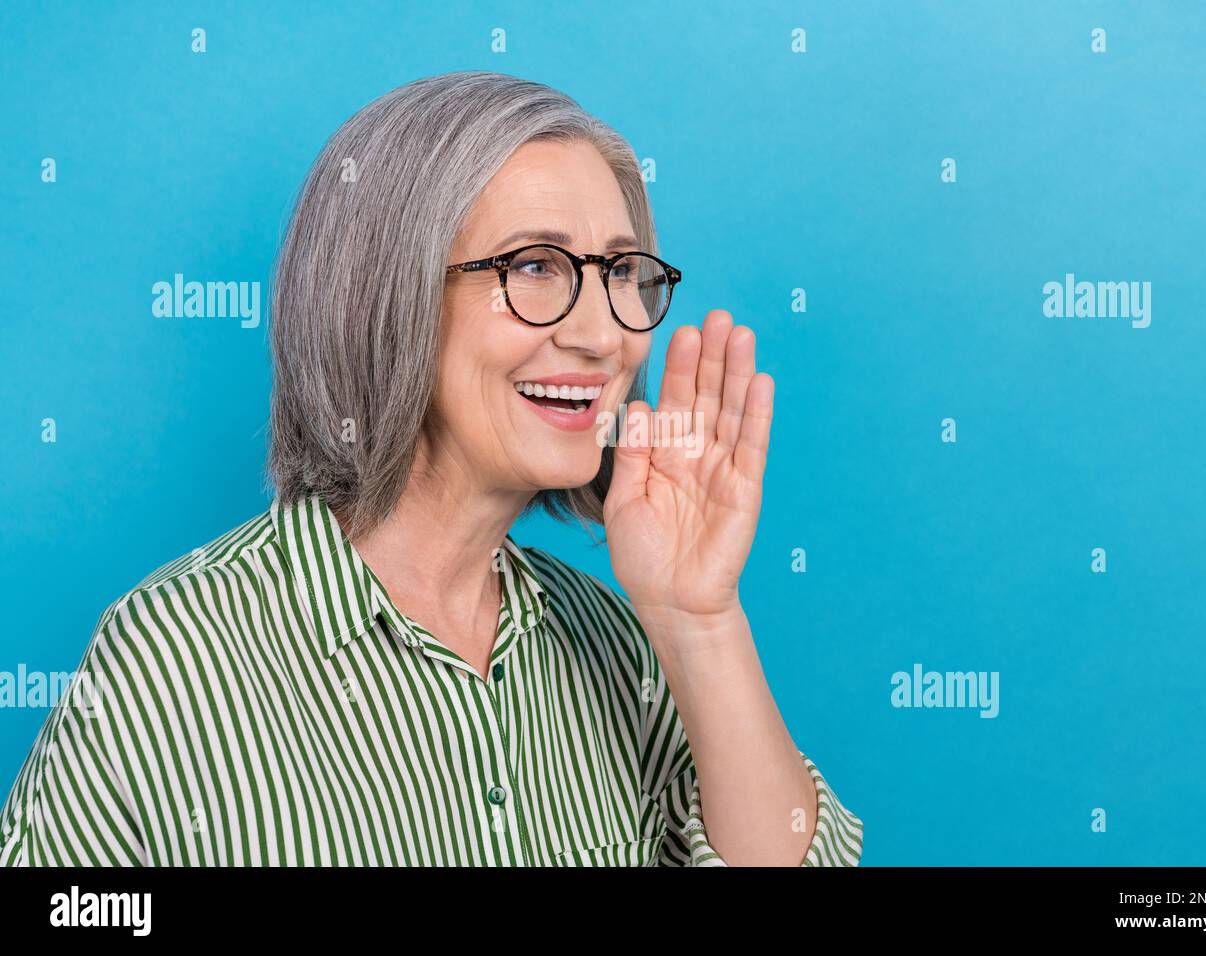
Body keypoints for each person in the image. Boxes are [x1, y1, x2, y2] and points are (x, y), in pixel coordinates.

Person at [0, 71, 863, 866]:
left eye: (621, 273)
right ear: (388, 294)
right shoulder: (172, 658)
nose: (605, 335)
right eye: (536, 266)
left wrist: (697, 619)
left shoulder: (609, 642)